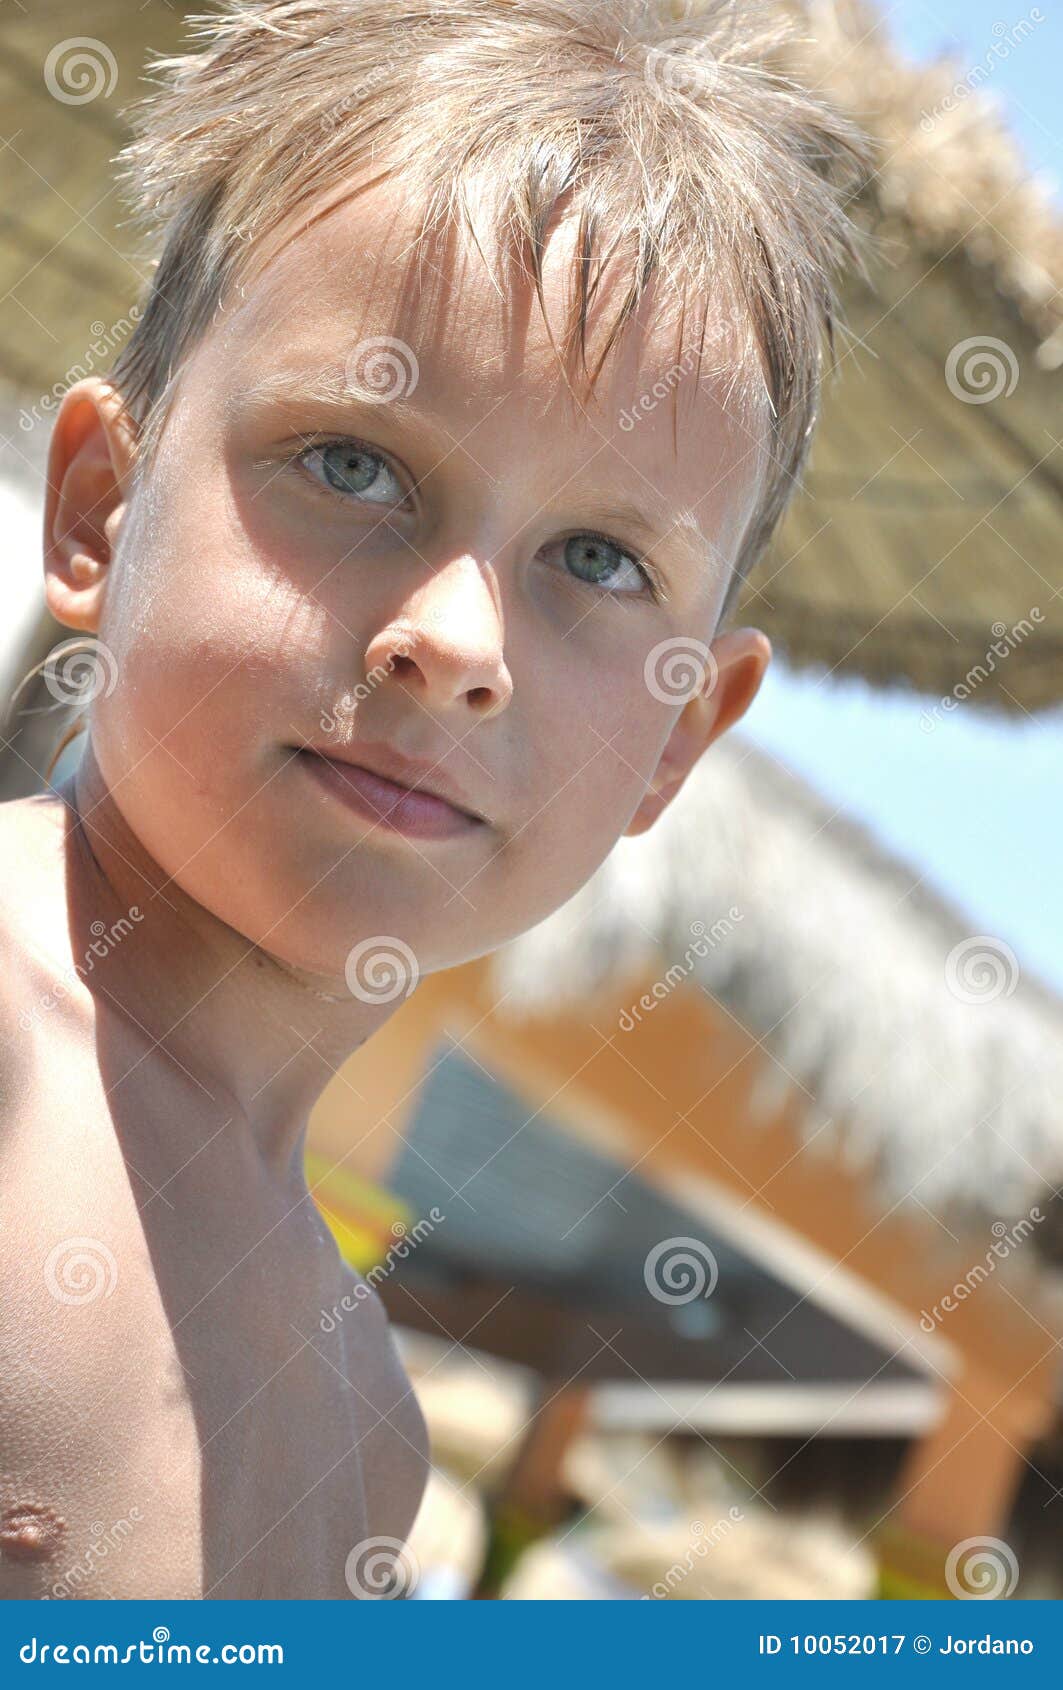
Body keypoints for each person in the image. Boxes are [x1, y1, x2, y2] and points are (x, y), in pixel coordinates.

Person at [0, 0, 870, 1598]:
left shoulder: (365, 1423)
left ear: (681, 738)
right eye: (351, 463)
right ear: (99, 508)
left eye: (598, 563)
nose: (458, 645)